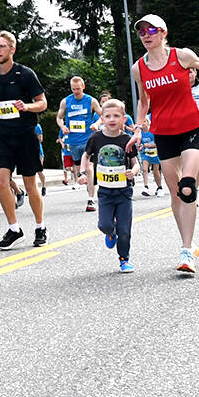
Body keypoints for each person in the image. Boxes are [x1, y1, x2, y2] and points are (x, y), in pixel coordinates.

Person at [130, 14, 199, 273]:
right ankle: (189, 246)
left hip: (191, 127)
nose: (146, 35)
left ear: (163, 33)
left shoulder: (181, 56)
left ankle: (186, 250)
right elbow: (144, 101)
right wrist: (138, 127)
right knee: (175, 192)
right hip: (163, 132)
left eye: (151, 30)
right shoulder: (139, 68)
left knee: (188, 186)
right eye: (141, 32)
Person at [0, 31, 49, 250]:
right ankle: (14, 229)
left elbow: (42, 103)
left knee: (31, 184)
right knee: (1, 182)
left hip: (25, 134)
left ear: (12, 49)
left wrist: (26, 106)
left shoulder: (25, 74)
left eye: (2, 46)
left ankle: (40, 227)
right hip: (4, 134)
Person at [77, 99, 139, 273]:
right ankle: (110, 233)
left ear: (124, 119)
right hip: (104, 191)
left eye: (116, 116)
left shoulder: (127, 139)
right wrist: (82, 173)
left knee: (125, 229)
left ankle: (124, 259)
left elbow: (136, 163)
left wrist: (133, 172)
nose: (112, 119)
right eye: (108, 116)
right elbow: (85, 156)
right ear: (102, 118)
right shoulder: (96, 138)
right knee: (104, 225)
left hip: (124, 191)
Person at [57, 77, 101, 211]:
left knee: (89, 167)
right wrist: (62, 126)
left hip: (88, 139)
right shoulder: (66, 101)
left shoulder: (91, 100)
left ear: (83, 87)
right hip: (73, 141)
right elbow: (59, 117)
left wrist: (96, 124)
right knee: (78, 166)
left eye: (78, 89)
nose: (76, 91)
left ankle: (91, 199)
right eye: (73, 89)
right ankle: (87, 182)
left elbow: (102, 115)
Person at [139, 116, 164, 196]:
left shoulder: (153, 132)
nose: (143, 124)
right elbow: (139, 143)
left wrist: (149, 146)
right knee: (145, 170)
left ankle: (159, 187)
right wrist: (140, 146)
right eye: (141, 122)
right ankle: (146, 187)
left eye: (144, 122)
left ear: (148, 122)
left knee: (155, 171)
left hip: (155, 153)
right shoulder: (140, 132)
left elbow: (158, 143)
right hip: (145, 154)